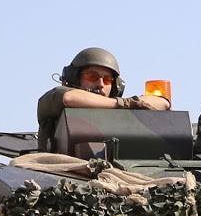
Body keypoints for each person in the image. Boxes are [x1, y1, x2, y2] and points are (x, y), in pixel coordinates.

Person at [36, 47, 170, 150]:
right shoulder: (53, 99)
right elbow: (69, 97)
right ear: (74, 77)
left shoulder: (121, 106)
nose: (100, 84)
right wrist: (122, 104)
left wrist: (126, 104)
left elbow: (162, 103)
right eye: (92, 77)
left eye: (107, 80)